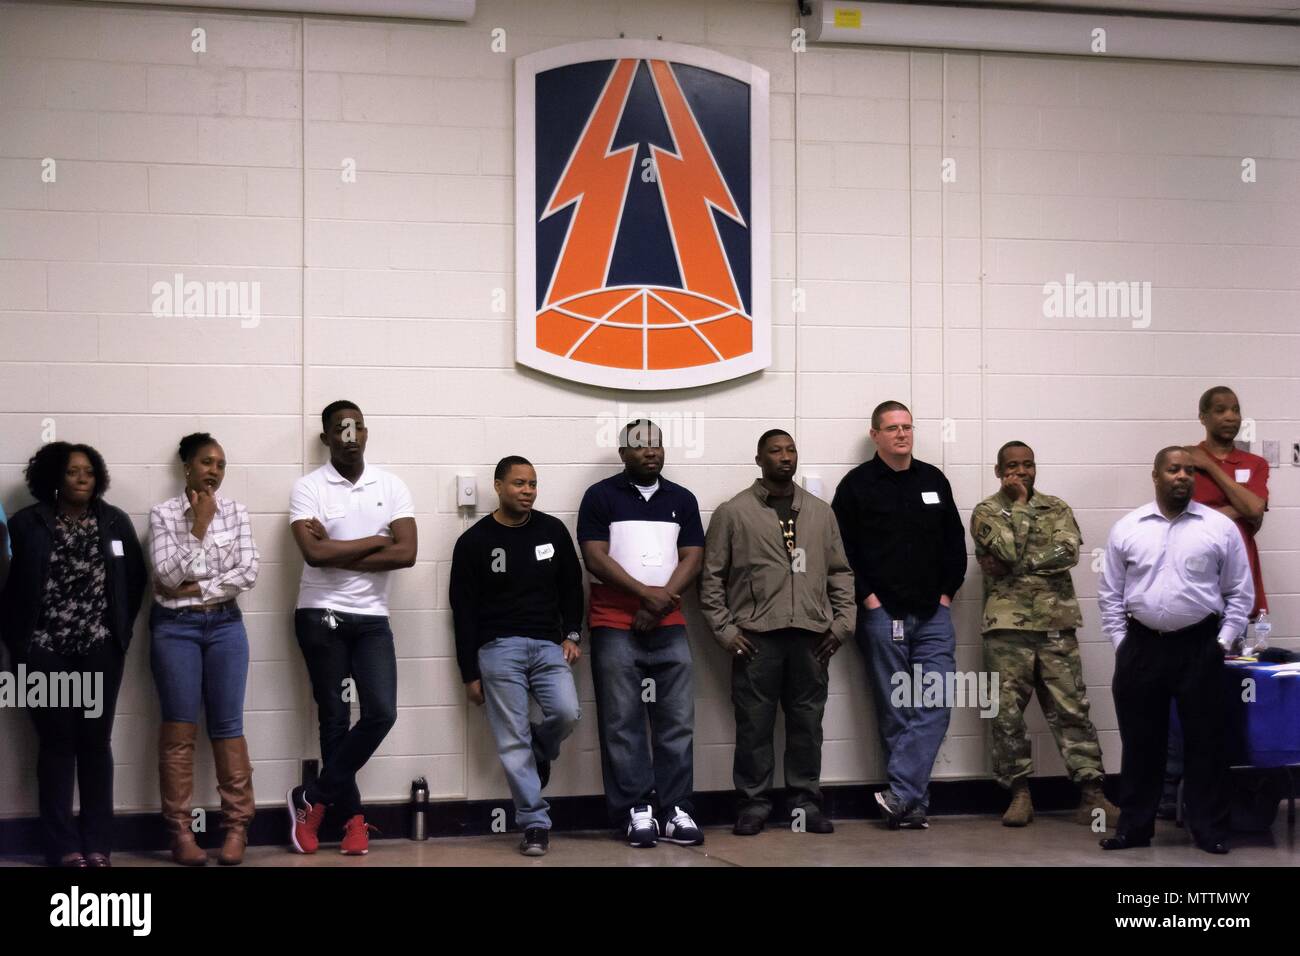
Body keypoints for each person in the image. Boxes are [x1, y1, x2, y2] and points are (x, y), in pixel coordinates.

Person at [1097, 447, 1253, 855]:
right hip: (1142, 647)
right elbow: (1110, 594)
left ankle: (1209, 830)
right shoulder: (1128, 528)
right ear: (1156, 476)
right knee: (1140, 744)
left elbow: (1240, 592)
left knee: (1206, 744)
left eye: (1188, 470)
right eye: (1173, 469)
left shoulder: (1219, 528)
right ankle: (1134, 828)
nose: (1182, 475)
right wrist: (1121, 643)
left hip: (1200, 647)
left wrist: (1222, 642)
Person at [700, 429, 855, 836]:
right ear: (759, 459)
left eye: (790, 450)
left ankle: (806, 803)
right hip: (756, 639)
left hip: (811, 638)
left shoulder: (820, 513)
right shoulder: (733, 513)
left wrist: (841, 626)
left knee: (807, 725)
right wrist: (724, 630)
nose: (785, 457)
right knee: (754, 725)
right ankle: (753, 804)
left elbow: (841, 573)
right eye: (775, 451)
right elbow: (711, 578)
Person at [0, 442, 146, 867]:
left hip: (99, 648)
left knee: (96, 743)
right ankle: (62, 847)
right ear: (53, 479)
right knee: (57, 743)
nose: (83, 478)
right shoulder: (26, 524)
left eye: (89, 471)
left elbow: (133, 581)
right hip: (43, 651)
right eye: (72, 472)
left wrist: (117, 635)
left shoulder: (114, 522)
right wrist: (19, 643)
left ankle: (99, 844)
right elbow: (7, 590)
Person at [286, 401, 417, 856]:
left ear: (365, 432)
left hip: (371, 619)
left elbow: (407, 554)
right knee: (336, 719)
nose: (349, 435)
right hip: (320, 614)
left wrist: (339, 547)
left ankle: (313, 798)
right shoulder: (308, 489)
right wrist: (375, 541)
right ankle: (353, 820)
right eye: (339, 429)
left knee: (381, 711)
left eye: (356, 427)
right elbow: (315, 557)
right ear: (326, 438)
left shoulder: (391, 485)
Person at [831, 401, 966, 829]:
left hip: (933, 614)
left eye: (907, 427)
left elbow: (954, 544)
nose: (902, 434)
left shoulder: (933, 480)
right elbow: (842, 552)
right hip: (881, 613)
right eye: (892, 428)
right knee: (895, 709)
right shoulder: (856, 486)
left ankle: (901, 794)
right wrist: (868, 598)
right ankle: (915, 804)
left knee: (937, 700)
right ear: (875, 435)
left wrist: (946, 594)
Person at [970, 441, 1119, 828]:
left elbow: (1067, 551)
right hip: (1006, 629)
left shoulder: (1058, 507)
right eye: (1012, 466)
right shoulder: (986, 511)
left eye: (1028, 465)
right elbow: (1000, 550)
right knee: (1006, 715)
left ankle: (1092, 793)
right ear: (998, 470)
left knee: (1073, 710)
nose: (1021, 472)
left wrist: (1019, 564)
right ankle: (1019, 793)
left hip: (1056, 626)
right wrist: (1019, 507)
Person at [577, 419, 705, 848]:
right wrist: (645, 596)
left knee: (677, 721)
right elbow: (595, 558)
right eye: (639, 446)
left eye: (656, 445)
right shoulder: (600, 497)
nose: (650, 452)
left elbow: (693, 556)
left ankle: (676, 810)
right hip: (614, 625)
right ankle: (636, 810)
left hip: (668, 625)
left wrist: (661, 599)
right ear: (622, 454)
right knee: (621, 722)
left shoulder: (682, 499)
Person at [450, 456, 584, 857]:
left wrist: (573, 633)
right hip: (497, 648)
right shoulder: (474, 541)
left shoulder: (552, 530)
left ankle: (539, 752)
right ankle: (534, 823)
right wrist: (469, 672)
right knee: (511, 740)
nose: (527, 491)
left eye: (533, 484)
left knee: (566, 713)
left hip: (547, 644)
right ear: (498, 486)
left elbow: (572, 588)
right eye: (519, 484)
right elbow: (463, 612)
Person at [148, 433, 260, 865]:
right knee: (178, 729)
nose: (214, 471)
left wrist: (194, 588)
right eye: (206, 462)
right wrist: (199, 523)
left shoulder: (238, 512)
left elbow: (248, 572)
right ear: (187, 468)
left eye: (221, 464)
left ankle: (237, 829)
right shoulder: (162, 515)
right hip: (175, 630)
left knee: (229, 726)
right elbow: (163, 573)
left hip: (226, 626)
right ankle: (180, 833)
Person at [1160, 386, 1271, 818]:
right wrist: (1234, 508)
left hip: (1245, 601)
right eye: (1220, 410)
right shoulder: (1182, 461)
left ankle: (1230, 790)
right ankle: (1171, 790)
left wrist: (1214, 469)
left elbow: (1255, 510)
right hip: (1193, 598)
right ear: (1202, 416)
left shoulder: (1253, 463)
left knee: (1235, 695)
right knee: (1179, 693)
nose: (1230, 416)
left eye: (1236, 409)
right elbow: (1177, 514)